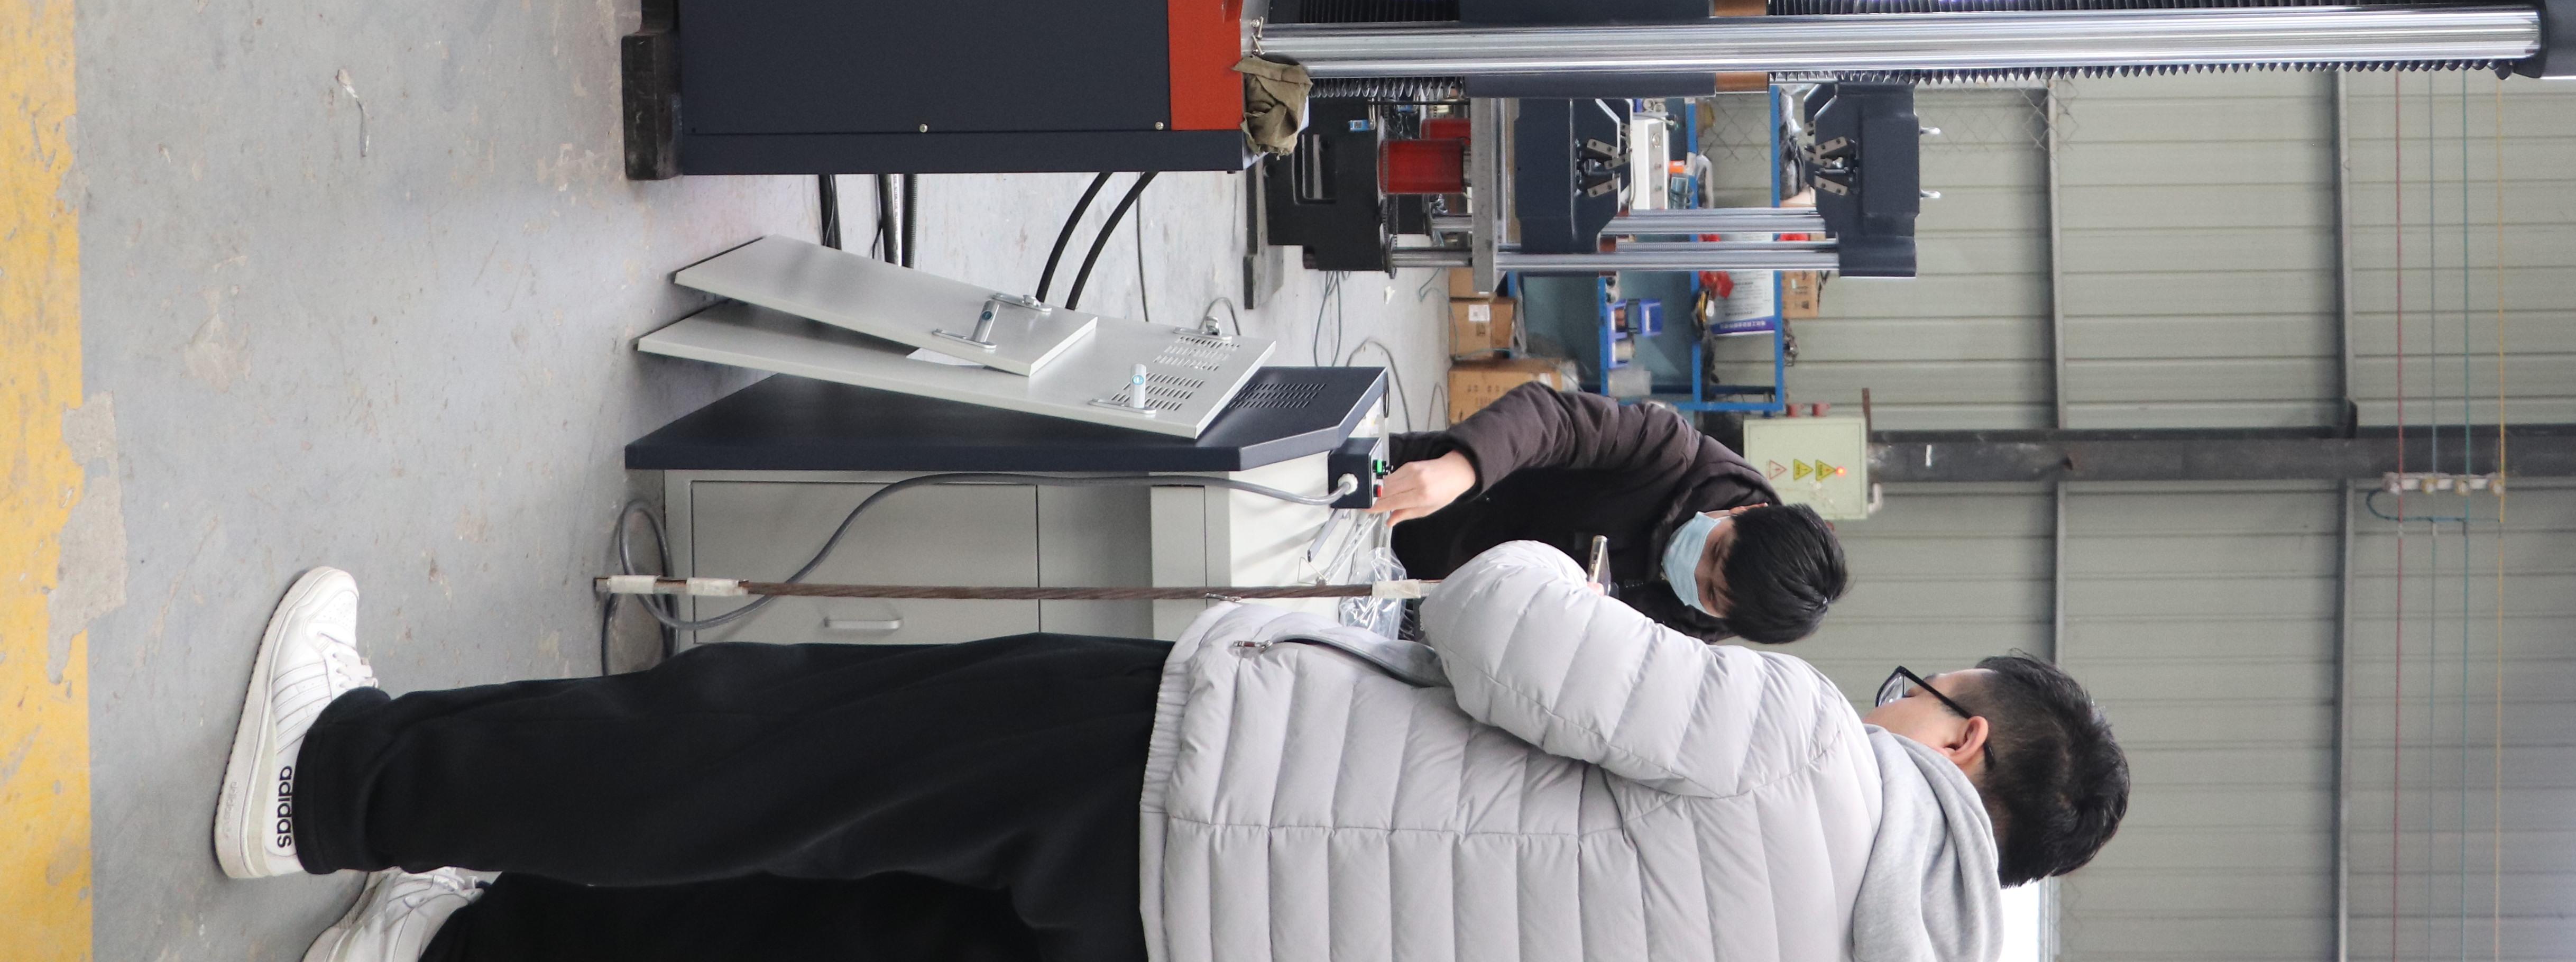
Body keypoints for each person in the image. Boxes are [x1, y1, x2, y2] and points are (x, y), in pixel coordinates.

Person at [216, 548, 2129, 962]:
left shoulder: (1817, 758)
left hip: (1203, 779)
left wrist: (1553, 564)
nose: (1890, 695)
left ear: (1962, 737)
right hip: (1203, 945)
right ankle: (447, 941)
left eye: (1920, 683)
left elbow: (1503, 624)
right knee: (810, 942)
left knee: (771, 756)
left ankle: (330, 780)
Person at [1374, 381, 1849, 642]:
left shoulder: (1685, 636)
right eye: (1716, 552)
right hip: (1408, 499)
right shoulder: (1670, 453)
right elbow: (1557, 422)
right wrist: (1464, 468)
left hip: (1424, 618)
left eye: (1710, 592)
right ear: (1748, 509)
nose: (1694, 570)